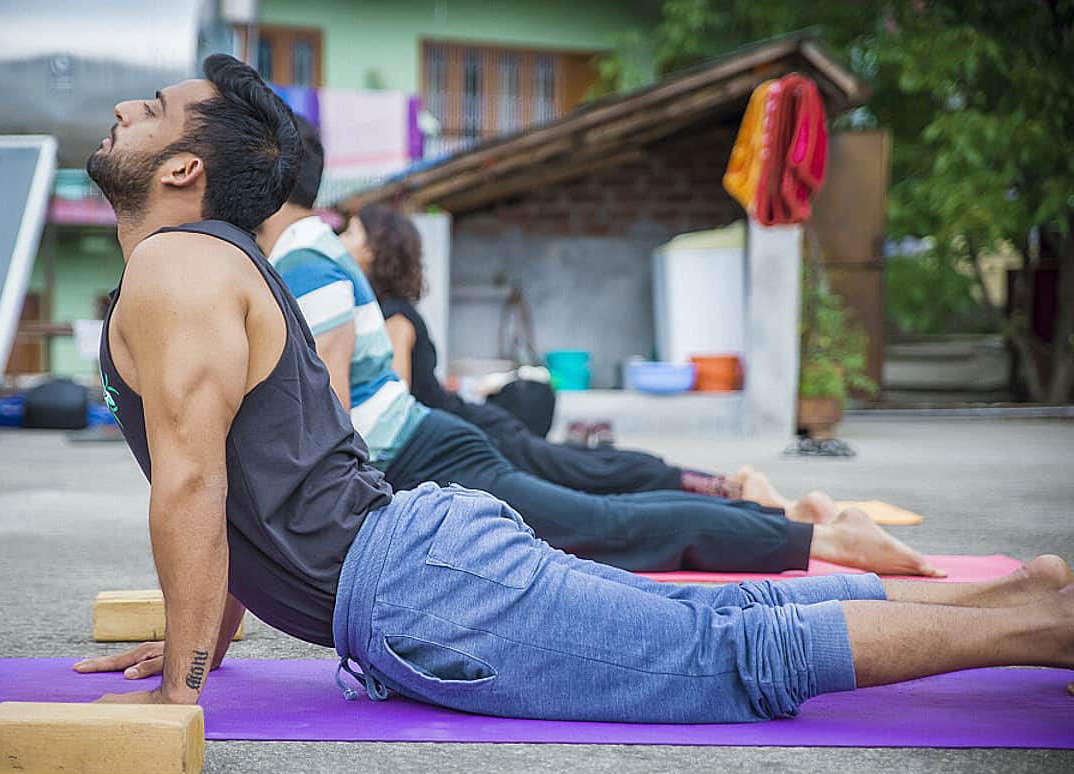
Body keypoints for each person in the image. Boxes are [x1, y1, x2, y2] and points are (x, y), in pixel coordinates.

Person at [73, 56, 1074, 721]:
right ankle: (1011, 595)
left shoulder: (182, 267)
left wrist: (180, 690)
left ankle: (1041, 628)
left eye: (152, 111)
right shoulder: (190, 267)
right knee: (721, 626)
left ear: (186, 165)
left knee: (738, 655)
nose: (126, 110)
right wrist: (193, 631)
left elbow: (195, 484)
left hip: (431, 585)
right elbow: (245, 485)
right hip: (426, 563)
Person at [256, 115, 940, 578]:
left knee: (608, 520)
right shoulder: (313, 249)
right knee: (606, 502)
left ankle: (821, 537)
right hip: (435, 446)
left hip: (435, 452)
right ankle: (772, 514)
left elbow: (334, 422)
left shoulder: (307, 261)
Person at [341, 202, 836, 523]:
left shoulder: (392, 318)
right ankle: (726, 488)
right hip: (470, 426)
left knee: (591, 475)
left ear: (373, 250)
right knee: (586, 470)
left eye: (351, 233)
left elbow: (395, 401)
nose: (342, 241)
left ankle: (730, 490)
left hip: (474, 433)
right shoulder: (395, 312)